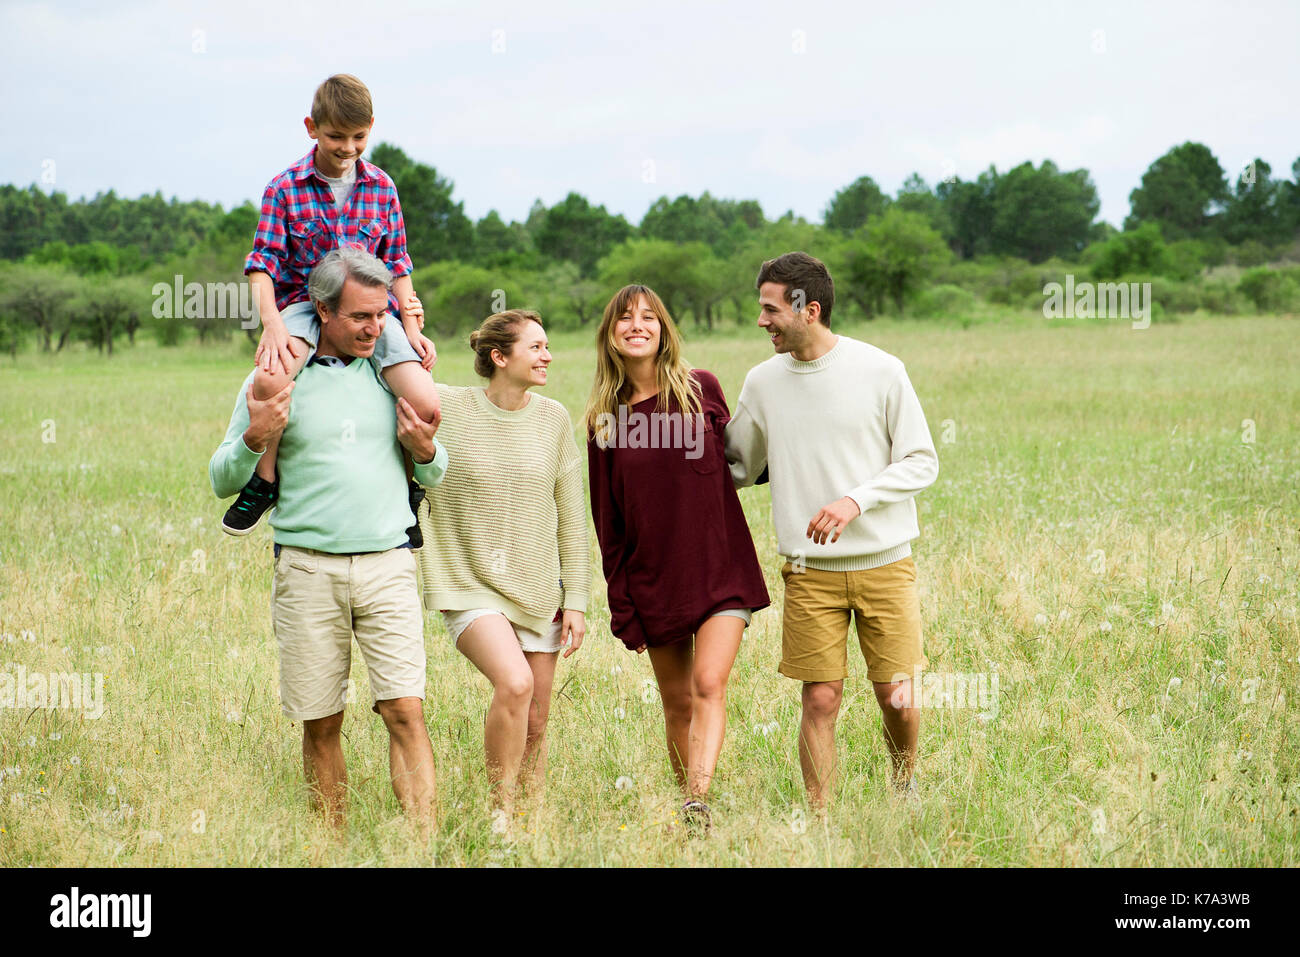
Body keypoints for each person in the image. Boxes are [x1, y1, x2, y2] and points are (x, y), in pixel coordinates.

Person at [209, 248, 447, 834]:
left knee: (405, 711)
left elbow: (439, 471)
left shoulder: (393, 375)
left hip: (388, 563)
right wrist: (253, 438)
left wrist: (426, 453)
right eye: (361, 317)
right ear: (321, 311)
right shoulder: (277, 373)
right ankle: (330, 843)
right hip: (307, 570)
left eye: (382, 314)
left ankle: (422, 842)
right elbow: (219, 477)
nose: (376, 328)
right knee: (321, 721)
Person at [724, 251, 939, 810]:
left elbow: (921, 461)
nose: (761, 321)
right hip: (808, 571)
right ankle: (820, 818)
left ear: (808, 309)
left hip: (885, 563)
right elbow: (735, 467)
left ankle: (904, 784)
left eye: (770, 310)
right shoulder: (762, 382)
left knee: (896, 695)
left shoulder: (881, 370)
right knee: (819, 698)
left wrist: (853, 501)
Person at [223, 73, 440, 544]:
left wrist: (412, 323)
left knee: (425, 402)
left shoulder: (382, 186)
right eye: (336, 136)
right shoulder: (284, 188)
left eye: (359, 137)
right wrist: (273, 326)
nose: (348, 147)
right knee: (271, 379)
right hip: (307, 306)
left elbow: (398, 262)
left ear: (371, 128)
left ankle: (406, 490)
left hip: (372, 311)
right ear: (311, 127)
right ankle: (265, 481)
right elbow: (262, 265)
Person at [585, 284, 769, 832]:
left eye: (648, 316)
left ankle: (697, 800)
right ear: (610, 334)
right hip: (653, 580)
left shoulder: (701, 390)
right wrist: (622, 602)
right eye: (624, 318)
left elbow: (747, 461)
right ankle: (690, 807)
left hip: (720, 571)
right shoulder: (604, 422)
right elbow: (607, 525)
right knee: (676, 703)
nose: (636, 325)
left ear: (664, 328)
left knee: (710, 684)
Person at [416, 310, 588, 824]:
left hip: (538, 588)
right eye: (535, 347)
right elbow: (397, 378)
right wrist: (409, 319)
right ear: (499, 357)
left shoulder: (553, 417)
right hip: (465, 581)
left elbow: (571, 516)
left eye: (547, 346)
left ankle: (529, 819)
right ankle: (500, 815)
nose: (547, 356)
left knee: (536, 718)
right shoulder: (446, 404)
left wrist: (574, 600)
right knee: (515, 684)